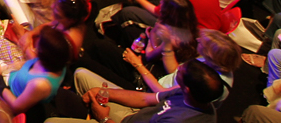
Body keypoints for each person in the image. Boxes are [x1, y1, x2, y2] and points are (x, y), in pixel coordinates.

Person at [45, 58, 223, 123]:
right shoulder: (188, 95)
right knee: (81, 74)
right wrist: (106, 92)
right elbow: (146, 100)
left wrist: (104, 118)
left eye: (180, 75)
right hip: (134, 116)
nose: (176, 73)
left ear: (188, 89)